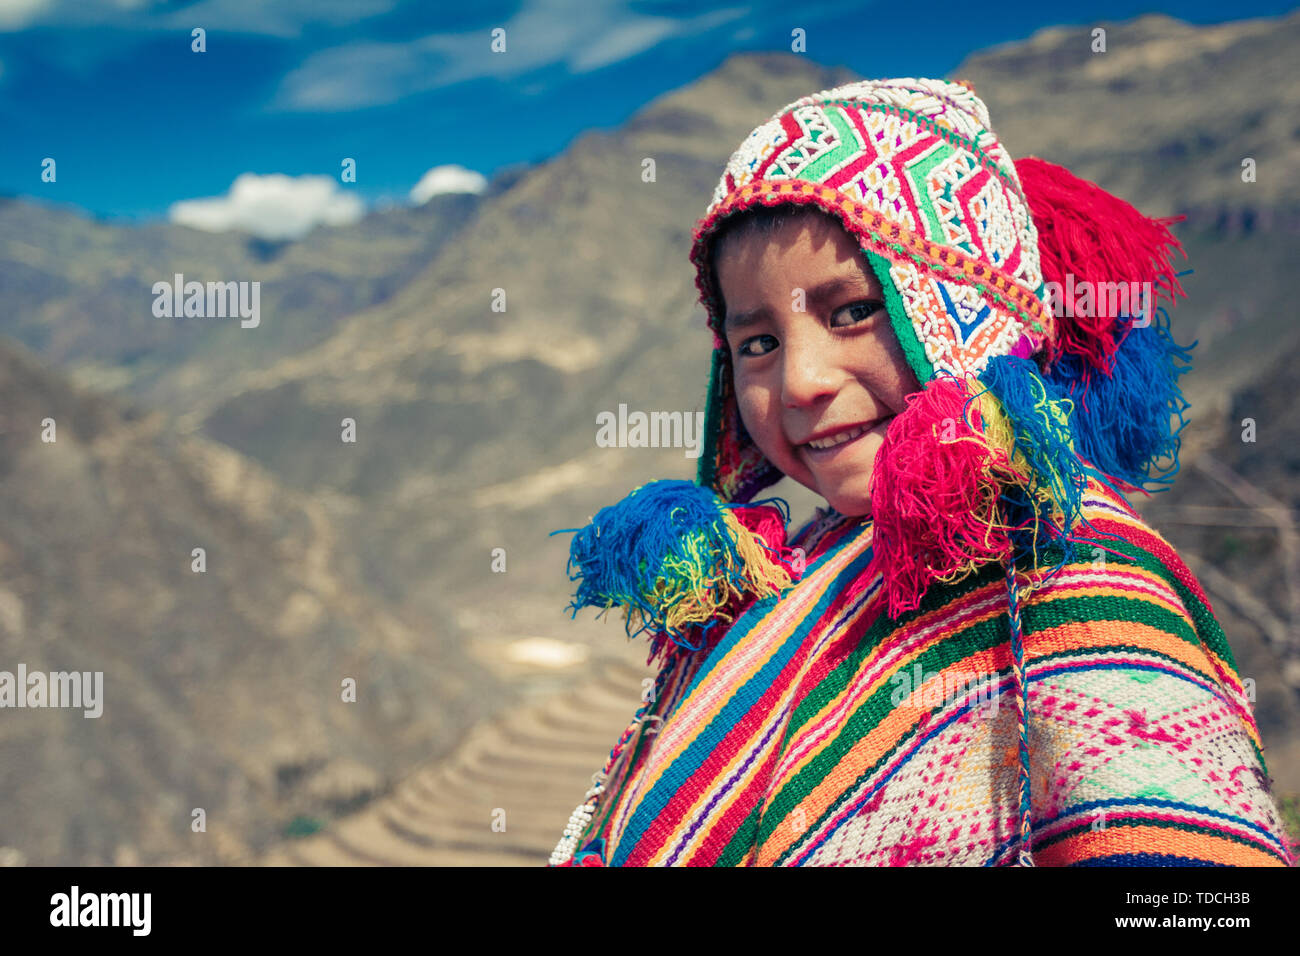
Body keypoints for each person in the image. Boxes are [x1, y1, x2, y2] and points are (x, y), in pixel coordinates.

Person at [548, 78, 1296, 867]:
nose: (801, 380)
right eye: (758, 342)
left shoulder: (1074, 575)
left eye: (850, 312)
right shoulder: (786, 582)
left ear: (962, 307)